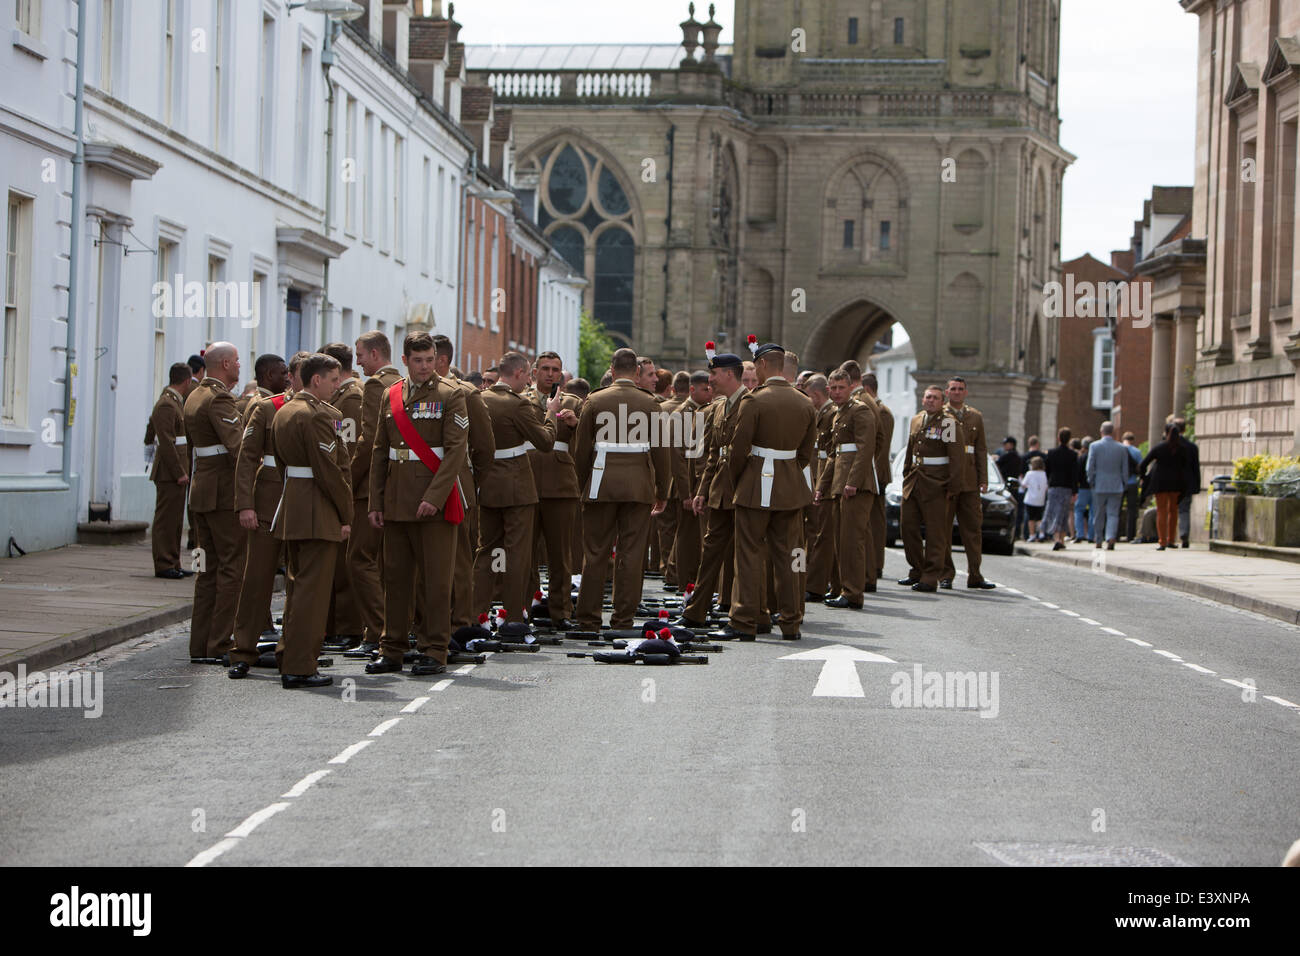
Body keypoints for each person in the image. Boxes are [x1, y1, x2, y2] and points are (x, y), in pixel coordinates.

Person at [366, 331, 469, 676]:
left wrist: (434, 498)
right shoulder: (390, 395)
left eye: (430, 360)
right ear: (405, 360)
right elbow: (380, 452)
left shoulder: (451, 395)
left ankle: (434, 649)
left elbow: (456, 452)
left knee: (436, 581)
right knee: (394, 579)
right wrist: (376, 501)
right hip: (396, 501)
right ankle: (391, 647)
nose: (425, 367)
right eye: (418, 360)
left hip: (432, 503)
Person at [714, 343, 816, 640]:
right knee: (790, 556)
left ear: (761, 365)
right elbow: (805, 453)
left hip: (755, 485)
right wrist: (788, 474)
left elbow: (738, 449)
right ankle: (791, 621)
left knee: (748, 555)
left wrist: (737, 482)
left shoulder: (754, 401)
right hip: (789, 488)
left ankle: (744, 620)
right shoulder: (804, 402)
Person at [268, 352, 353, 689]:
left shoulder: (285, 410)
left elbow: (280, 464)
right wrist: (346, 513)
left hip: (294, 505)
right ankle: (301, 665)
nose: (338, 385)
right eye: (333, 379)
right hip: (318, 510)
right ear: (316, 380)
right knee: (312, 594)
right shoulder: (316, 415)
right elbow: (329, 471)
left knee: (297, 588)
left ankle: (289, 654)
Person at [572, 348, 670, 630]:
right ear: (637, 373)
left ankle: (588, 618)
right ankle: (623, 618)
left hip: (600, 485)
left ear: (612, 370)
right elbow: (661, 453)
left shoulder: (595, 400)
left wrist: (579, 487)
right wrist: (662, 492)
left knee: (595, 554)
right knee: (631, 554)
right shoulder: (650, 403)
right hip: (638, 487)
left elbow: (581, 452)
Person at [474, 351, 562, 623]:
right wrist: (551, 413)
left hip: (487, 484)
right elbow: (545, 441)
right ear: (520, 373)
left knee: (486, 552)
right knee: (517, 555)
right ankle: (513, 616)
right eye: (527, 375)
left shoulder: (479, 400)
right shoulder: (518, 404)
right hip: (516, 487)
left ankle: (475, 614)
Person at [227, 352, 299, 679]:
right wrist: (245, 504)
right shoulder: (266, 408)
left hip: (305, 504)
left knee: (301, 583)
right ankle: (243, 650)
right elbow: (246, 459)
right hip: (268, 500)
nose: (289, 380)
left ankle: (295, 651)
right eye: (290, 375)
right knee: (257, 579)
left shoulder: (325, 413)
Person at [672, 352, 748, 628]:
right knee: (711, 551)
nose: (710, 380)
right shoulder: (717, 408)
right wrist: (702, 490)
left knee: (745, 555)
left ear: (728, 374)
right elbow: (713, 453)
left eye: (714, 375)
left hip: (744, 491)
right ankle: (696, 610)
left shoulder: (749, 404)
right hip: (718, 491)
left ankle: (747, 613)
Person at [183, 341, 245, 663]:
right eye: (236, 361)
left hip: (201, 493)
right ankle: (220, 643)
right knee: (231, 567)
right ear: (223, 364)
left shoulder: (194, 395)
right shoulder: (219, 397)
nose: (239, 365)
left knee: (204, 569)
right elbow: (238, 448)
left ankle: (200, 645)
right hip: (222, 495)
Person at [429, 335, 495, 631]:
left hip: (457, 483)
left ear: (441, 361)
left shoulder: (466, 393)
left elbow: (484, 447)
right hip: (416, 484)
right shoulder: (406, 393)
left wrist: (471, 481)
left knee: (458, 559)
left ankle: (460, 623)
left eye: (428, 359)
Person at [347, 332, 403, 658]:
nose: (357, 362)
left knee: (359, 559)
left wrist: (349, 479)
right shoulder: (402, 383)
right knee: (384, 563)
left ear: (375, 353)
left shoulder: (374, 386)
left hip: (371, 485)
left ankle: (379, 632)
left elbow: (369, 442)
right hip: (399, 484)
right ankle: (382, 630)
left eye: (360, 355)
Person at [526, 351, 583, 628]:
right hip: (525, 482)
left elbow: (588, 443)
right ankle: (527, 606)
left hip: (560, 485)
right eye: (545, 368)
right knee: (524, 554)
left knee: (560, 554)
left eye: (556, 370)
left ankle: (561, 611)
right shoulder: (521, 400)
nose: (550, 374)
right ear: (534, 371)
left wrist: (576, 425)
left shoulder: (572, 402)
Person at [815, 369, 877, 609]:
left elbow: (865, 449)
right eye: (833, 388)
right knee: (841, 540)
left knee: (852, 541)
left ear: (851, 388)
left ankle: (853, 592)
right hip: (841, 484)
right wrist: (823, 486)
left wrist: (853, 481)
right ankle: (842, 587)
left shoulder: (860, 410)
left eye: (842, 387)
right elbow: (834, 454)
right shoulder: (838, 413)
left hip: (856, 485)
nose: (837, 392)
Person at [897, 386, 962, 591]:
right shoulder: (917, 419)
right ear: (923, 399)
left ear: (942, 401)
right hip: (914, 481)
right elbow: (910, 448)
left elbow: (956, 456)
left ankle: (930, 576)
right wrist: (906, 472)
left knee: (935, 532)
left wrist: (953, 486)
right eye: (928, 397)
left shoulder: (948, 422)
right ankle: (916, 569)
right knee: (907, 526)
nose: (931, 401)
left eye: (935, 398)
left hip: (936, 483)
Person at [321, 342, 364, 645]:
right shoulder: (340, 397)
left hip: (350, 488)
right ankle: (334, 624)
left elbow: (348, 450)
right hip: (338, 487)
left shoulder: (350, 399)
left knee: (346, 561)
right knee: (335, 562)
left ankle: (349, 627)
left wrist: (342, 488)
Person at [941, 376, 994, 589]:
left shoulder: (975, 417)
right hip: (948, 481)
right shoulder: (942, 416)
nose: (956, 392)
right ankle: (946, 574)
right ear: (947, 392)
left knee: (973, 530)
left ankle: (975, 574)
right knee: (944, 529)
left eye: (960, 389)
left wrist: (983, 479)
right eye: (953, 389)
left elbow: (981, 449)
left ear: (966, 393)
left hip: (970, 481)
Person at [147, 364, 195, 579]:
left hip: (175, 472)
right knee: (166, 521)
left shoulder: (173, 401)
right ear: (186, 381)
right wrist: (179, 472)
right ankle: (164, 563)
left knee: (175, 521)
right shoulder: (167, 404)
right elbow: (166, 442)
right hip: (169, 473)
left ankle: (173, 561)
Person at [860, 371, 894, 581]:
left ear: (867, 390)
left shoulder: (881, 412)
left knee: (875, 522)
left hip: (875, 472)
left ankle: (876, 564)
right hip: (871, 471)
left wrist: (875, 474)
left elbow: (880, 447)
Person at [1139, 422, 1188, 550]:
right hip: (1176, 483)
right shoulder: (1182, 448)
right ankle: (1171, 540)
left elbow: (1143, 464)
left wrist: (1144, 478)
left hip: (1160, 483)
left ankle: (1162, 542)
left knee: (1162, 511)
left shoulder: (1159, 447)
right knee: (1174, 511)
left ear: (1166, 433)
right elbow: (1186, 467)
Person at [1086, 422, 1130, 550]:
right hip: (1116, 485)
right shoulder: (1121, 448)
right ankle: (1110, 536)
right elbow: (1125, 469)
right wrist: (1124, 482)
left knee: (1098, 513)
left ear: (1101, 431)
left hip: (1099, 484)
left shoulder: (1094, 446)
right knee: (1113, 514)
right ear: (1114, 432)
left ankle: (1098, 539)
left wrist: (1091, 480)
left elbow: (1090, 466)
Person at [1042, 428, 1077, 551]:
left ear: (1058, 438)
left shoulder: (1051, 453)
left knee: (1054, 512)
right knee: (1063, 512)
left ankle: (1057, 538)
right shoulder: (1073, 455)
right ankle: (1060, 539)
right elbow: (1074, 474)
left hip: (1054, 486)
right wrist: (1075, 491)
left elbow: (1047, 470)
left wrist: (1049, 481)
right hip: (1067, 488)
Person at [1173, 416, 1200, 548]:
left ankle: (1169, 537)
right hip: (1187, 483)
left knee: (1169, 510)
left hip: (1171, 483)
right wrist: (1197, 485)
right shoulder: (1192, 447)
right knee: (1184, 510)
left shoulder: (1168, 446)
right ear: (1185, 429)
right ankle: (1184, 534)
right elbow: (1196, 468)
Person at [1020, 435, 1047, 539]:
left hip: (1031, 498)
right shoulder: (1044, 474)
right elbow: (1046, 486)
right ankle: (1041, 534)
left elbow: (1024, 484)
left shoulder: (1029, 473)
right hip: (1041, 499)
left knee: (1030, 518)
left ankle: (1031, 535)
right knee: (1039, 517)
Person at [1121, 432, 1143, 541]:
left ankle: (1114, 535)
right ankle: (1130, 535)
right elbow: (1141, 467)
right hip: (1132, 483)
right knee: (1131, 510)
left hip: (1120, 483)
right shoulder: (1137, 452)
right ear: (1133, 440)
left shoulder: (1119, 450)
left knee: (1116, 510)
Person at [1072, 437, 1092, 543]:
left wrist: (1075, 489)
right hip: (1094, 488)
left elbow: (1077, 475)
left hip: (1083, 488)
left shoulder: (1082, 458)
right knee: (1093, 512)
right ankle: (1091, 535)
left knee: (1079, 510)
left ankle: (1080, 534)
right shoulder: (1095, 457)